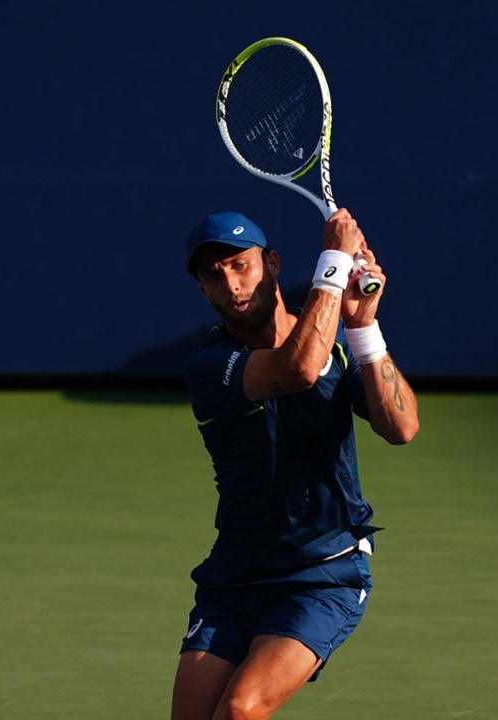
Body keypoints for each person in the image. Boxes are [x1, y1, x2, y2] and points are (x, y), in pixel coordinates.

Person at [171, 208, 420, 720]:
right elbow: (300, 368)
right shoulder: (208, 366)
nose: (231, 285)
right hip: (233, 577)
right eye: (213, 276)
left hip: (322, 573)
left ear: (273, 263)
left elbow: (401, 428)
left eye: (241, 265)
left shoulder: (332, 337)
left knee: (241, 710)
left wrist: (363, 328)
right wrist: (334, 259)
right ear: (202, 292)